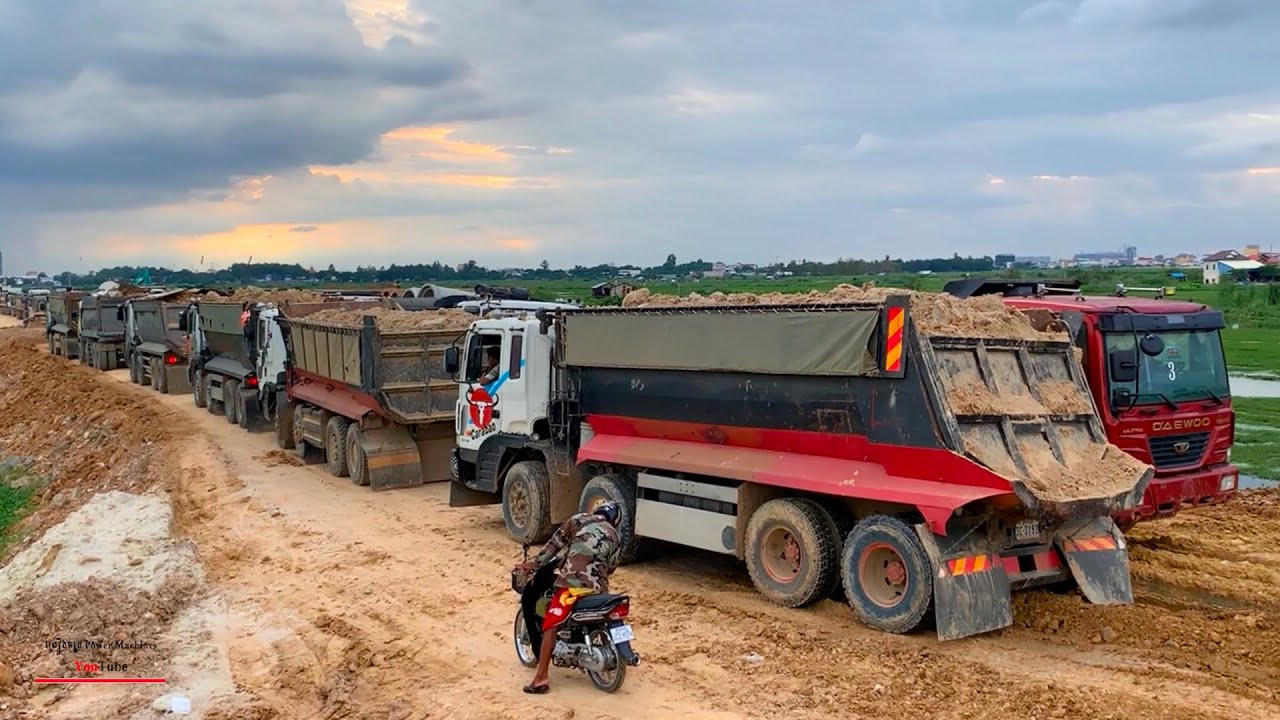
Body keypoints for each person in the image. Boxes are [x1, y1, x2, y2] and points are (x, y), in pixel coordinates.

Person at [514, 501, 623, 694]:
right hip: (599, 588)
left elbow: (554, 546)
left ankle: (540, 678)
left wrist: (533, 564)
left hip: (571, 587)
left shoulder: (577, 519)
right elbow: (612, 566)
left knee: (550, 625)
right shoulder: (614, 535)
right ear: (614, 520)